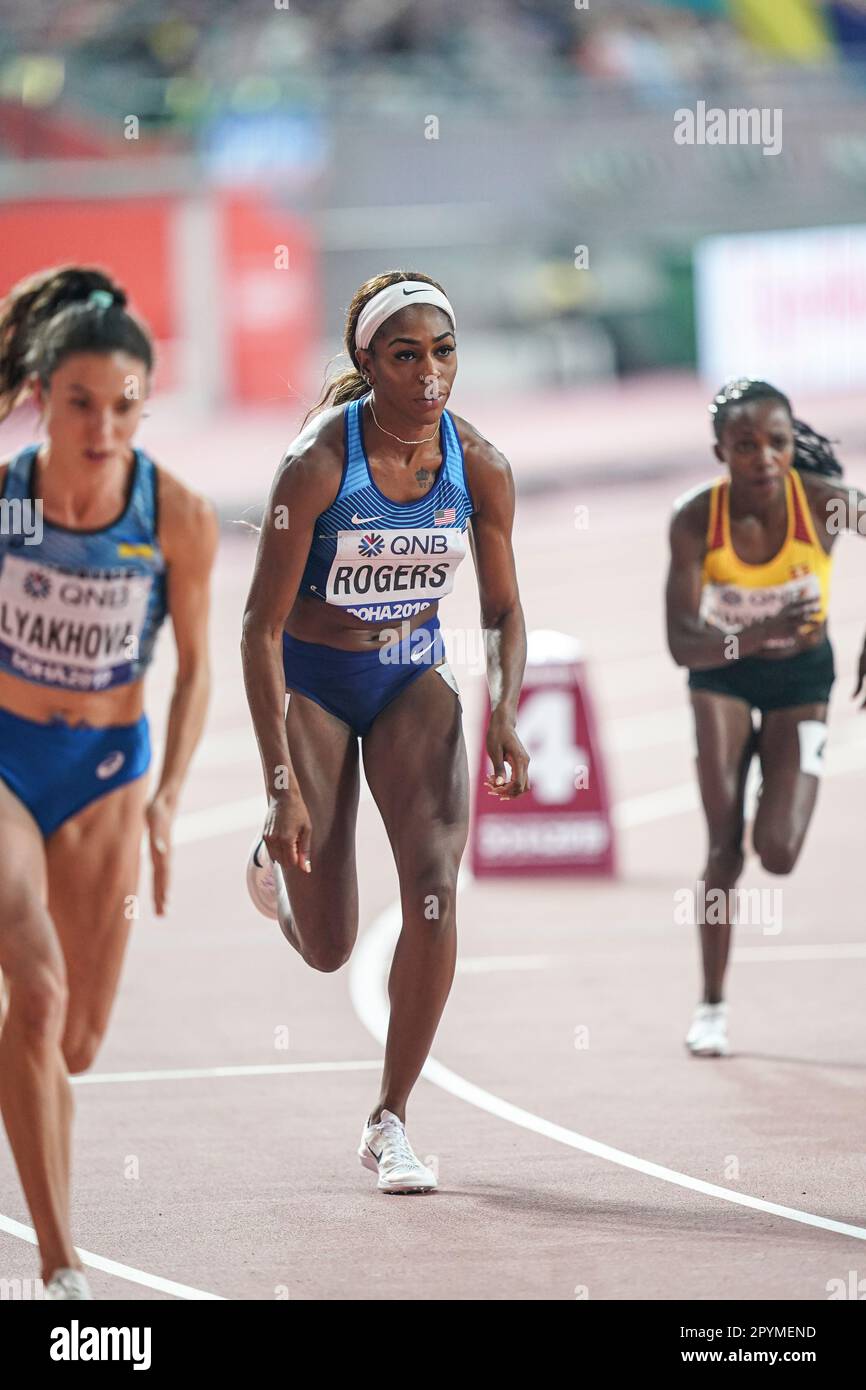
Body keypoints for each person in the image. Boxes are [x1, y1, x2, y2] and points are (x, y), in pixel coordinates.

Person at [241, 270, 530, 1192]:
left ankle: (390, 1119)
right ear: (368, 361)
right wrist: (281, 781)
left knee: (436, 888)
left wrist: (507, 716)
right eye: (407, 355)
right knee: (328, 946)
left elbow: (505, 611)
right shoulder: (319, 464)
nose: (430, 374)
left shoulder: (477, 463)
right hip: (320, 686)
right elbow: (257, 630)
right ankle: (270, 869)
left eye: (443, 352)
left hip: (412, 674)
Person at [0, 265, 218, 1296]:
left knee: (74, 1044)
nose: (101, 427)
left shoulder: (173, 514)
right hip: (4, 755)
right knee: (35, 997)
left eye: (122, 404)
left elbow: (201, 667)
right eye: (80, 403)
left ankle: (32, 1117)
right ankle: (60, 1267)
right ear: (43, 394)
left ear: (144, 400)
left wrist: (170, 796)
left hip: (104, 774)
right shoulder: (9, 503)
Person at [666, 377, 865, 1057]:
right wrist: (758, 632)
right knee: (724, 847)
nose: (764, 458)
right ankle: (712, 1005)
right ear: (720, 449)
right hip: (720, 675)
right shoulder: (697, 517)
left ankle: (775, 778)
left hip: (803, 680)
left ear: (790, 443)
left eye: (777, 442)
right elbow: (681, 642)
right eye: (745, 445)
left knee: (776, 853)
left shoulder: (828, 504)